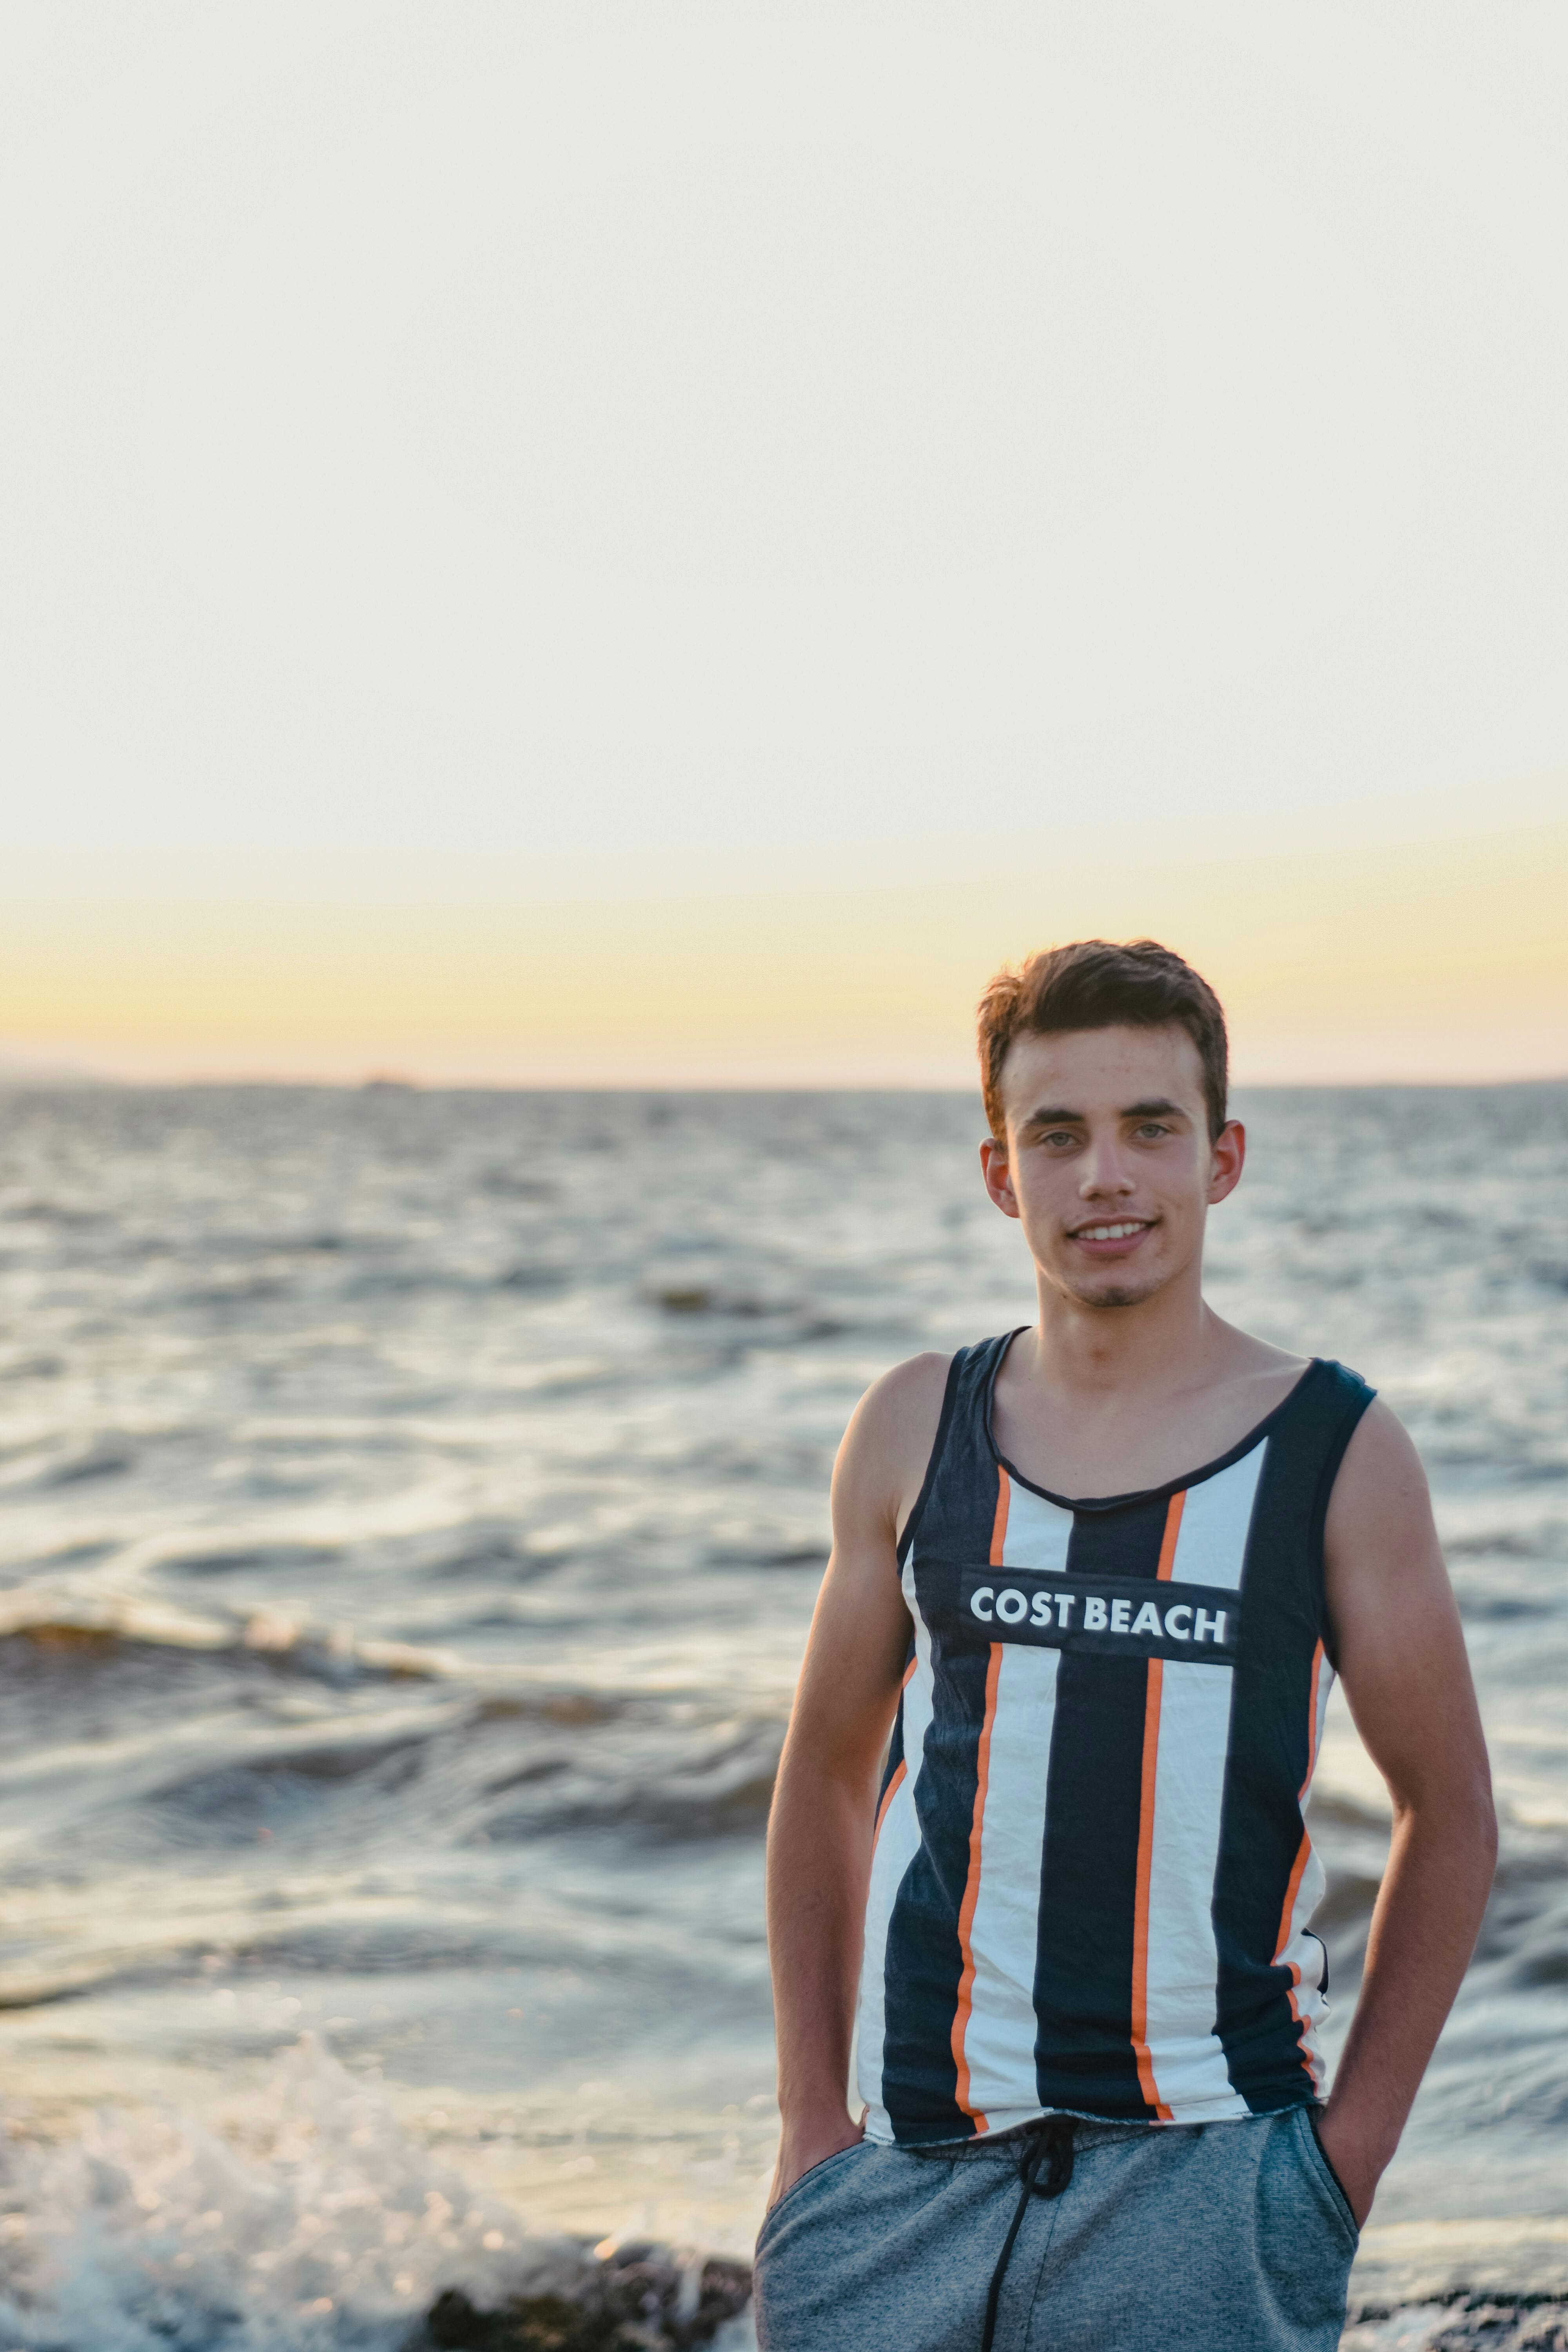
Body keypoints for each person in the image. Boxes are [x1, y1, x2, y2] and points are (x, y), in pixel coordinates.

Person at [754, 940, 1496, 2352]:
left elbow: (1450, 1814)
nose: (1106, 1175)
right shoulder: (913, 1425)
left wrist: (1338, 2172)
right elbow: (828, 1773)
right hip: (901, 2181)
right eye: (1059, 1135)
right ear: (1001, 1174)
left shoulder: (1336, 1450)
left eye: (1151, 1127)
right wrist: (808, 2129)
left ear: (1221, 1158)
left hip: (1210, 2179)